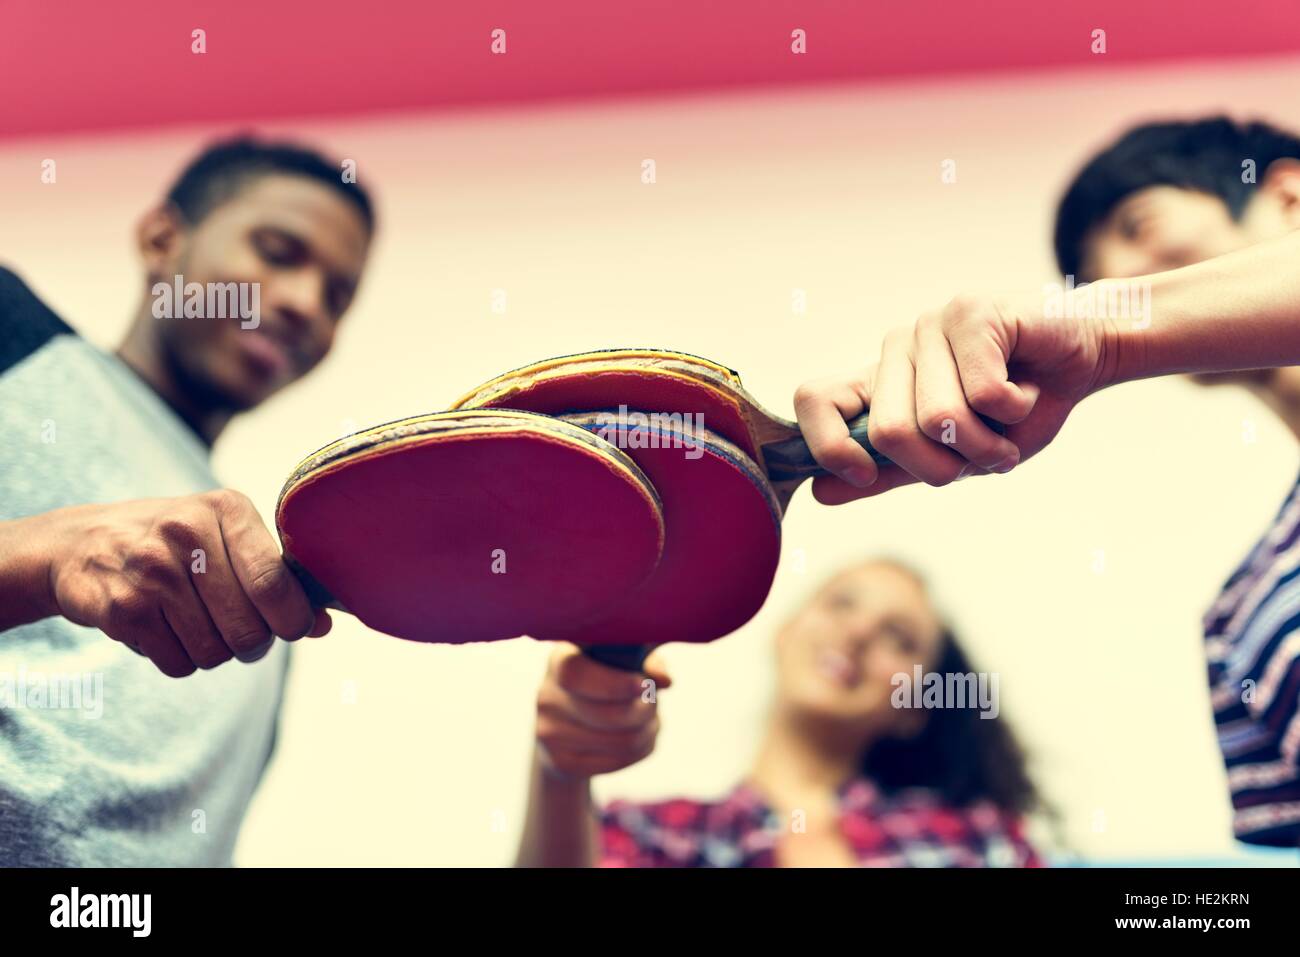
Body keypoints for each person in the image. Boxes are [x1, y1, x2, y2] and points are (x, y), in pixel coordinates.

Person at [794, 117, 1300, 847]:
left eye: (1140, 224)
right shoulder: (1239, 620)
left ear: (1286, 195)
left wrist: (1101, 328)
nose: (1120, 280)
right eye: (1093, 283)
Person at [0, 136, 374, 865]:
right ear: (162, 238)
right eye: (276, 252)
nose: (305, 304)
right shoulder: (10, 333)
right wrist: (42, 558)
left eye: (338, 296)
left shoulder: (264, 596)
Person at [515, 559, 1043, 867]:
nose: (858, 633)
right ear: (786, 630)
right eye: (841, 604)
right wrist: (561, 772)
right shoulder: (655, 835)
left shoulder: (978, 838)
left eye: (898, 638)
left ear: (915, 709)